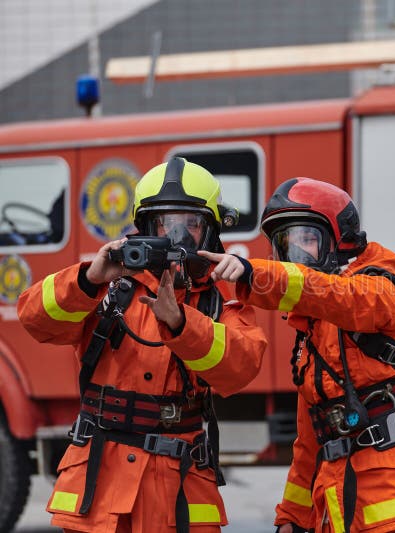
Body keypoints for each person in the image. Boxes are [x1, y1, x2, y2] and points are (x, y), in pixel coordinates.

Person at [17, 157, 267, 533]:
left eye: (191, 225)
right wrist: (88, 279)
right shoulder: (107, 289)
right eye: (165, 224)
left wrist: (180, 323)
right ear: (145, 227)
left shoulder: (218, 303)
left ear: (211, 232)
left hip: (178, 490)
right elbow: (35, 319)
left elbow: (240, 366)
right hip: (101, 490)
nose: (177, 237)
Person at [200, 178, 395, 533]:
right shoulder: (315, 329)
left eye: (307, 239)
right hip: (344, 502)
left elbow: (339, 296)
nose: (297, 256)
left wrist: (256, 273)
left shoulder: (378, 289)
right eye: (285, 245)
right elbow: (312, 440)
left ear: (340, 240)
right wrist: (292, 517)